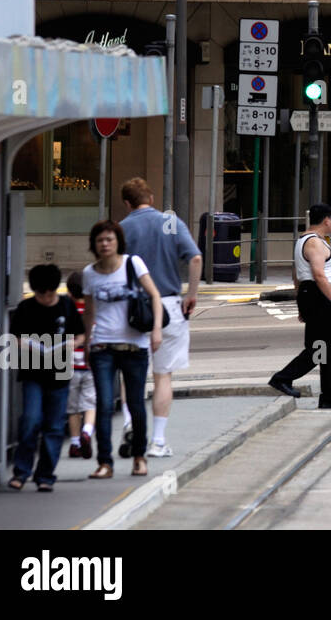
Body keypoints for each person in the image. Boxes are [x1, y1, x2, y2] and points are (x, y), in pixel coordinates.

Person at [119, 177, 202, 459]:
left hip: (133, 309)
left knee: (131, 373)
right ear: (151, 199)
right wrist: (192, 294)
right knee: (163, 374)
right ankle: (157, 440)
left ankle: (130, 424)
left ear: (127, 203)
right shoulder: (171, 223)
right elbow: (195, 259)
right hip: (168, 306)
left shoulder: (122, 228)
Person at [82, 220, 163, 479]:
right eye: (100, 240)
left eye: (109, 239)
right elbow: (89, 312)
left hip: (134, 346)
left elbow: (155, 296)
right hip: (102, 346)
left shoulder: (132, 264)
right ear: (94, 245)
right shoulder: (89, 274)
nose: (105, 244)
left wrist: (157, 330)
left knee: (136, 404)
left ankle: (139, 457)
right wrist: (87, 341)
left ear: (118, 242)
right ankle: (105, 462)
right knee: (104, 404)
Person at [8, 265, 84, 492]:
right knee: (30, 420)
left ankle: (45, 475)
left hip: (59, 373)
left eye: (49, 293)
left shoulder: (66, 305)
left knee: (53, 426)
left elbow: (80, 333)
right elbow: (15, 338)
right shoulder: (26, 307)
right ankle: (21, 472)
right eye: (41, 294)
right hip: (32, 372)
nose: (46, 298)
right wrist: (29, 345)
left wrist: (74, 343)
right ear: (35, 291)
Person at [270, 204, 331, 408]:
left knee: (324, 350)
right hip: (320, 297)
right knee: (321, 349)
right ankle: (283, 378)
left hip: (312, 296)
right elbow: (318, 275)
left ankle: (329, 397)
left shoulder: (303, 241)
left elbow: (296, 275)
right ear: (327, 219)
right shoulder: (314, 243)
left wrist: (301, 304)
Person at [64, 271, 95, 460]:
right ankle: (88, 431)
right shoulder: (93, 310)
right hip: (91, 365)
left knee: (73, 408)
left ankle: (75, 443)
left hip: (70, 367)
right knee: (90, 403)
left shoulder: (68, 310)